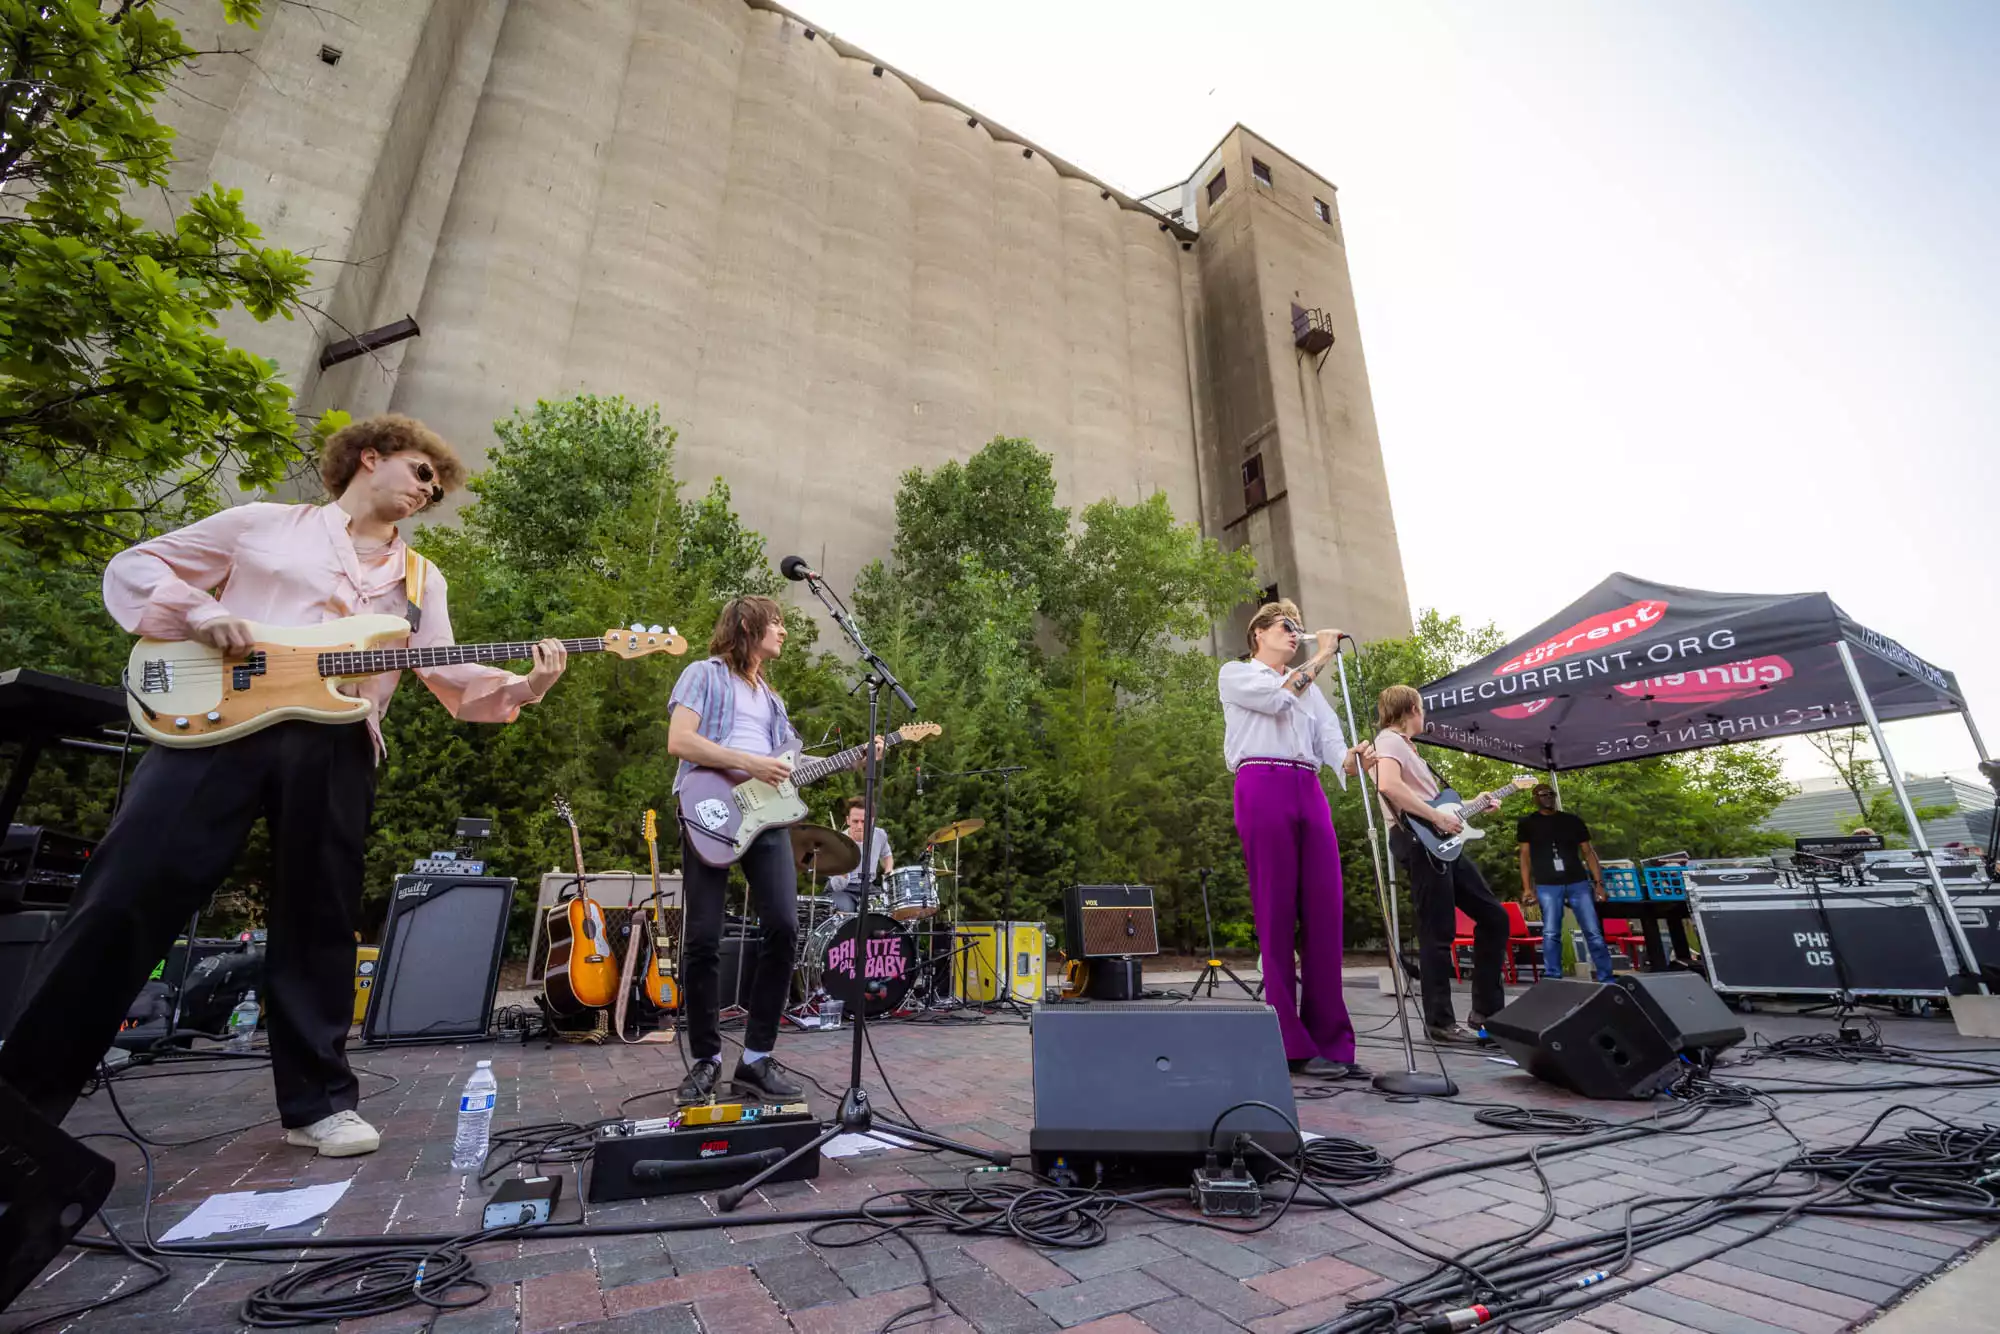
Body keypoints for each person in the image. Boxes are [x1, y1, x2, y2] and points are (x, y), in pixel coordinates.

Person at [0, 415, 570, 1157]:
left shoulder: (423, 579)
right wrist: (203, 611)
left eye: (437, 487)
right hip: (215, 727)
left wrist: (525, 684)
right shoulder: (262, 525)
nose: (430, 491)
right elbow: (138, 568)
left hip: (337, 742)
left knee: (320, 918)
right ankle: (21, 1098)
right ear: (372, 456)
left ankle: (318, 1105)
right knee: (123, 896)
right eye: (422, 472)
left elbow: (444, 669)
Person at [1218, 600, 1372, 1079]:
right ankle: (1288, 1042)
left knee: (1325, 908)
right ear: (1259, 633)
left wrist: (1351, 759)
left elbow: (1329, 742)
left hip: (1308, 785)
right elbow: (1279, 697)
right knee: (1276, 909)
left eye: (1299, 628)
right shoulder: (1236, 674)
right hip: (1262, 781)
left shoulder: (1311, 691)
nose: (1295, 633)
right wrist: (1321, 654)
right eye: (1288, 626)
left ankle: (1331, 1040)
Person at [667, 596, 809, 1105]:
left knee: (785, 927)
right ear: (748, 625)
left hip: (763, 818)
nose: (784, 633)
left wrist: (859, 755)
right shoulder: (703, 675)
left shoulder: (772, 699)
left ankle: (755, 1060)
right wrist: (749, 762)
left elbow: (789, 763)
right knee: (703, 938)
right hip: (710, 807)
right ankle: (705, 1060)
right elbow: (680, 741)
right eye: (778, 623)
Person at [1369, 685, 1508, 1045]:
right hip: (1419, 843)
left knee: (1494, 917)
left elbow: (1439, 806)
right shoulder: (1390, 740)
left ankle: (1487, 1013)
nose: (1424, 713)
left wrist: (1472, 805)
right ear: (1413, 708)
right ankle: (1440, 1023)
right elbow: (1388, 784)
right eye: (1422, 708)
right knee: (1437, 933)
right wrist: (1438, 817)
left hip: (1442, 843)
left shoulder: (1409, 749)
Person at [1516, 784, 1614, 983]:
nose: (1548, 798)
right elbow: (1524, 857)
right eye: (1542, 795)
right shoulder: (1527, 823)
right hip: (1547, 884)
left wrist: (1598, 883)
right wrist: (1527, 888)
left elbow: (1588, 852)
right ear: (1535, 798)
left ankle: (1606, 977)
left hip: (1577, 881)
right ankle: (1553, 975)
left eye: (1551, 794)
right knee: (1551, 931)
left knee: (1593, 931)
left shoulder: (1572, 821)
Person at [825, 798, 893, 913]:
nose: (860, 826)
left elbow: (887, 855)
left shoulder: (880, 835)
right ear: (847, 820)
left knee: (886, 912)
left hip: (869, 887)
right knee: (845, 913)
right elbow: (836, 886)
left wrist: (888, 872)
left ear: (871, 821)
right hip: (844, 889)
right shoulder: (837, 842)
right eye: (855, 821)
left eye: (864, 821)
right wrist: (844, 867)